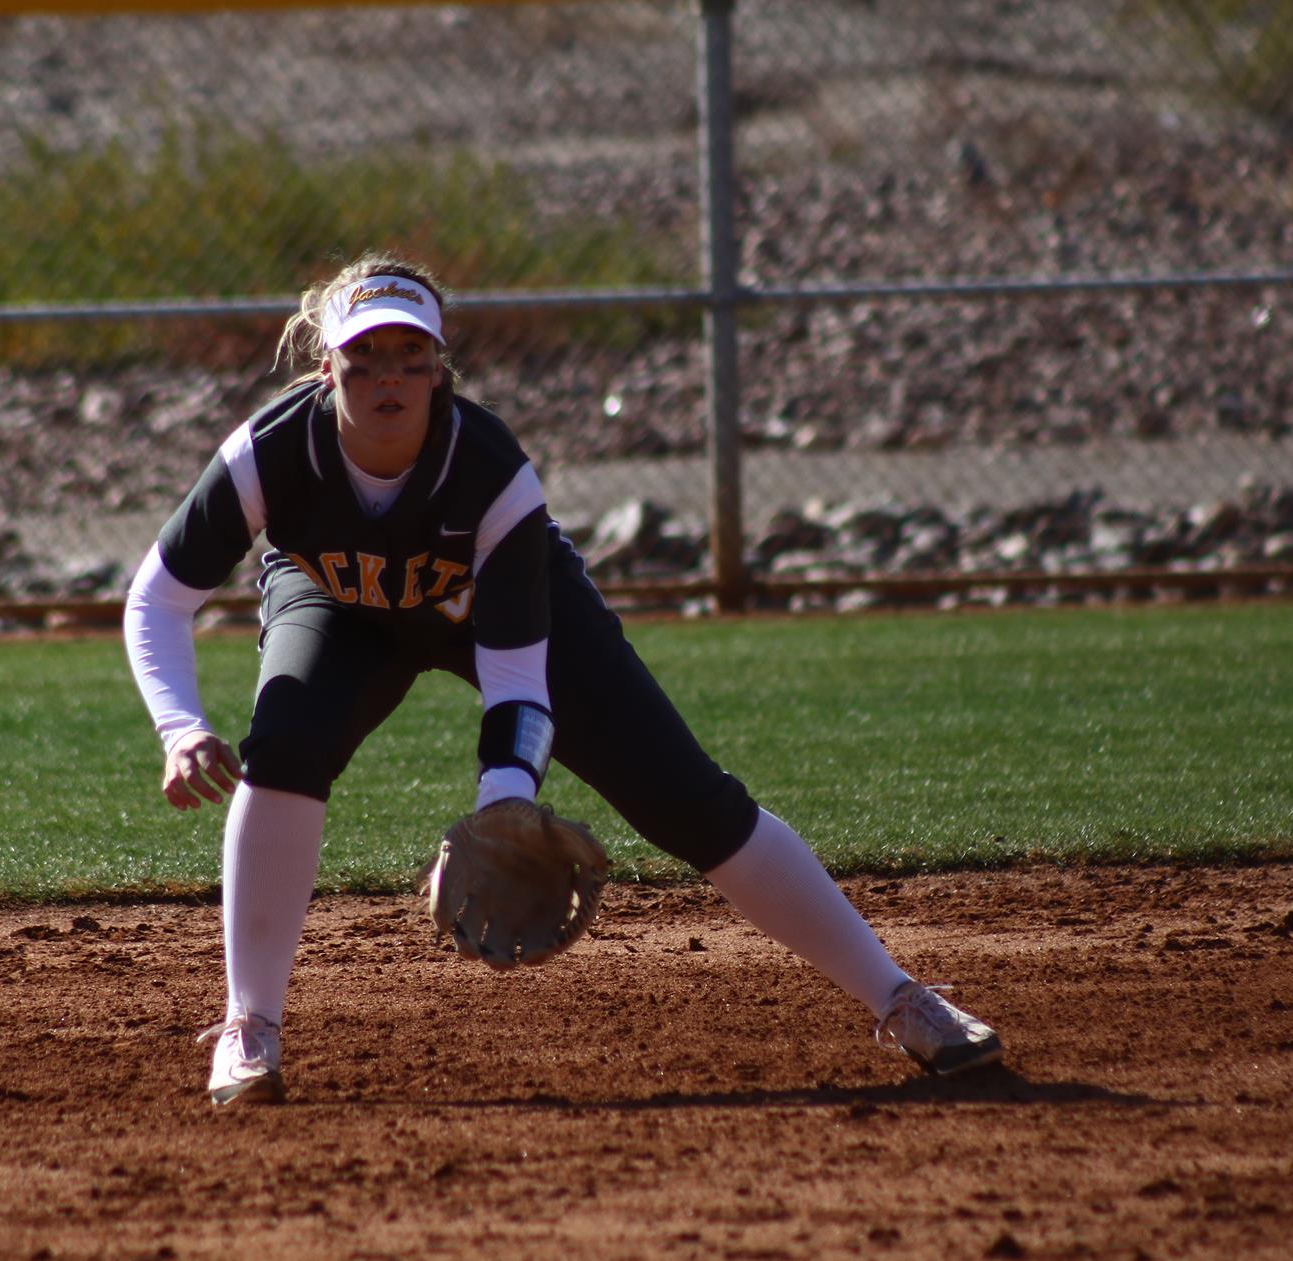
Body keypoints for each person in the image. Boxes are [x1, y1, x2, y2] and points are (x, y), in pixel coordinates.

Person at [123, 253, 1002, 1106]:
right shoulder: (268, 454)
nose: (386, 376)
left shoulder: (490, 472)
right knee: (286, 744)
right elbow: (157, 597)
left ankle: (901, 998)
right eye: (363, 357)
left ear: (440, 370)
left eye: (409, 355)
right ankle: (250, 1026)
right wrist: (180, 727)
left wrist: (504, 800)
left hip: (499, 608)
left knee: (688, 797)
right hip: (338, 603)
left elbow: (515, 672)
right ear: (327, 370)